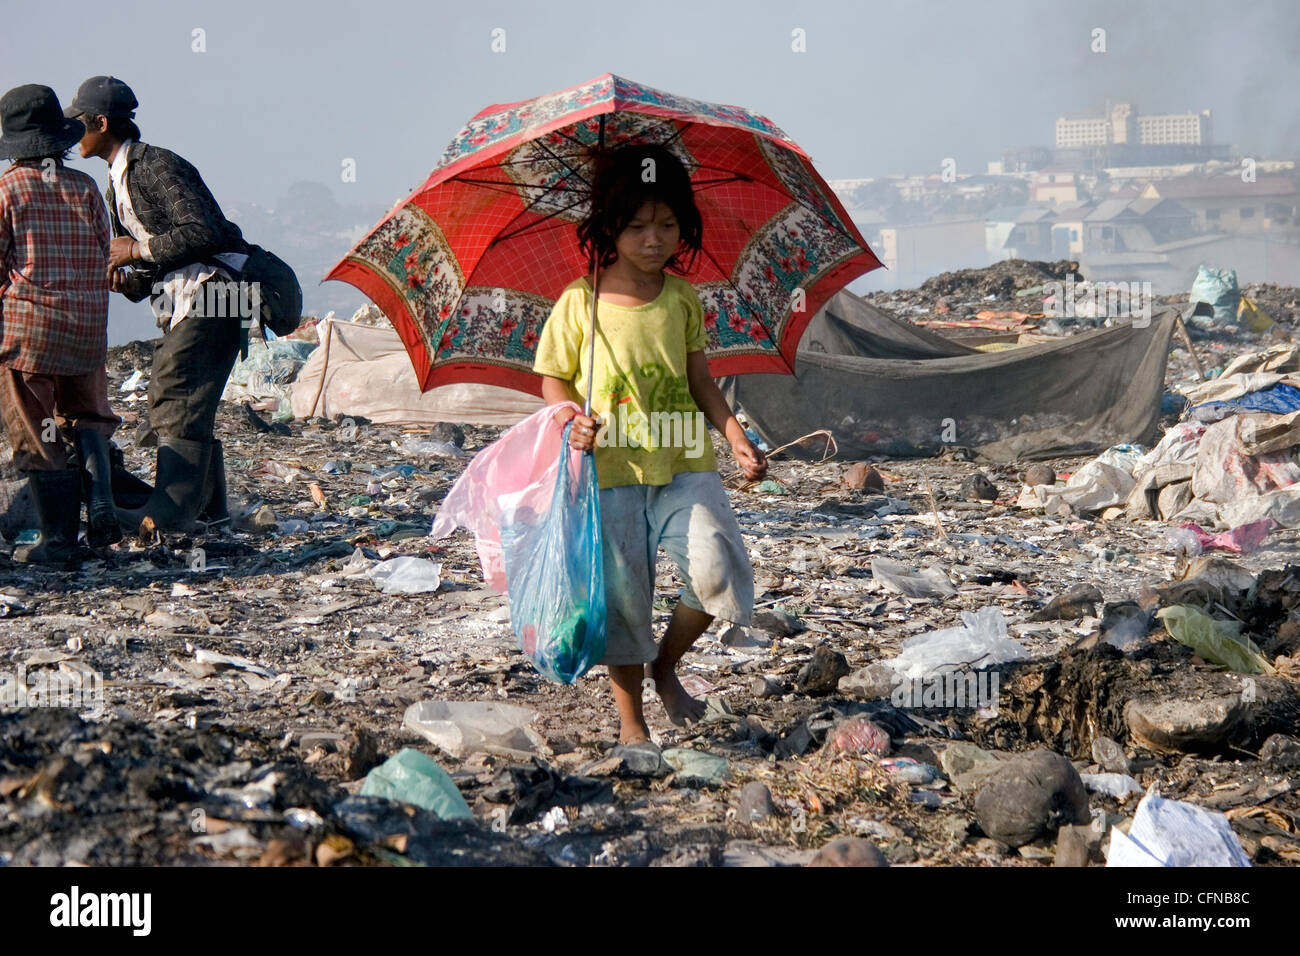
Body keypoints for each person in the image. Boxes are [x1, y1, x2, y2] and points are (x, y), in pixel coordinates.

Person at [533, 144, 767, 749]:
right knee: (625, 598)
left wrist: (737, 439)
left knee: (718, 568)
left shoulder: (682, 298)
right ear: (609, 227)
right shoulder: (577, 302)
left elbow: (699, 382)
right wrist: (569, 419)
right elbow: (552, 378)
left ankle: (667, 664)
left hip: (684, 456)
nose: (653, 238)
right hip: (608, 469)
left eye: (666, 225)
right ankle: (631, 719)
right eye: (637, 226)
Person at [67, 75, 247, 533]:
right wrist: (124, 280)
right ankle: (210, 510)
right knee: (193, 400)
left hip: (216, 291)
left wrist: (135, 252)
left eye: (78, 125)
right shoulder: (117, 180)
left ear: (101, 123)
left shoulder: (156, 166)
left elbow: (204, 232)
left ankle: (170, 515)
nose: (73, 136)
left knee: (174, 390)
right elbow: (155, 264)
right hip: (188, 296)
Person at [0, 84, 120, 562]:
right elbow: (102, 256)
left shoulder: (7, 190)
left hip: (28, 335)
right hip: (86, 329)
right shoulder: (85, 187)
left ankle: (58, 541)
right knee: (89, 418)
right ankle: (102, 504)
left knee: (37, 430)